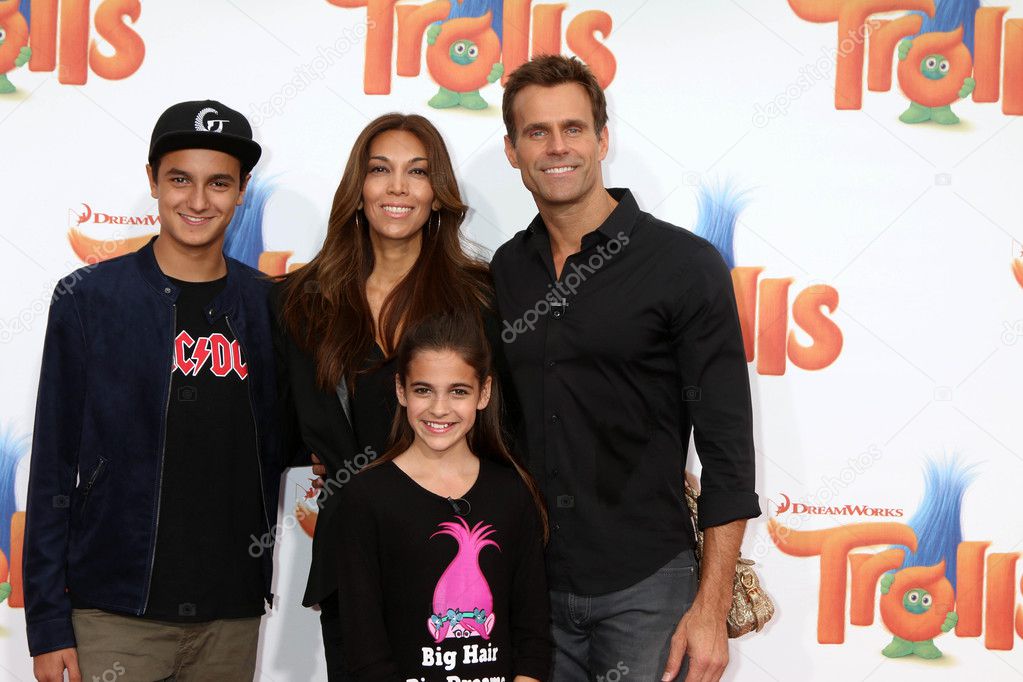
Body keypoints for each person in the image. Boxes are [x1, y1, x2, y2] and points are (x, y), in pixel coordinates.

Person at [491, 56, 762, 682]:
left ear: (602, 139)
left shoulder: (683, 265)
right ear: (512, 150)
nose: (558, 147)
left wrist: (712, 606)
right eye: (537, 133)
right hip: (529, 585)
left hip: (649, 587)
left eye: (574, 128)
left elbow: (726, 449)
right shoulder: (507, 270)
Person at [24, 100, 294, 682]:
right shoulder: (88, 299)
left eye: (219, 182)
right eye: (180, 179)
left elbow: (289, 442)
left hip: (231, 617)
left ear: (242, 189)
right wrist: (47, 624)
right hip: (114, 615)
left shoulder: (269, 306)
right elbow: (51, 467)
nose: (198, 201)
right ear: (152, 181)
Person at [274, 113, 516, 681]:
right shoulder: (302, 302)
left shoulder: (480, 298)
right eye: (380, 170)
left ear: (439, 195)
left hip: (451, 562)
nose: (399, 187)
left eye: (418, 172)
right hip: (351, 556)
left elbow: (506, 428)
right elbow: (282, 424)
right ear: (358, 189)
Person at [336, 313, 551, 681]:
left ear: (483, 393)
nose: (439, 408)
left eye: (458, 391)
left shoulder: (512, 491)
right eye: (423, 390)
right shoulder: (367, 497)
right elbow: (364, 648)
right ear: (401, 390)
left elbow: (532, 637)